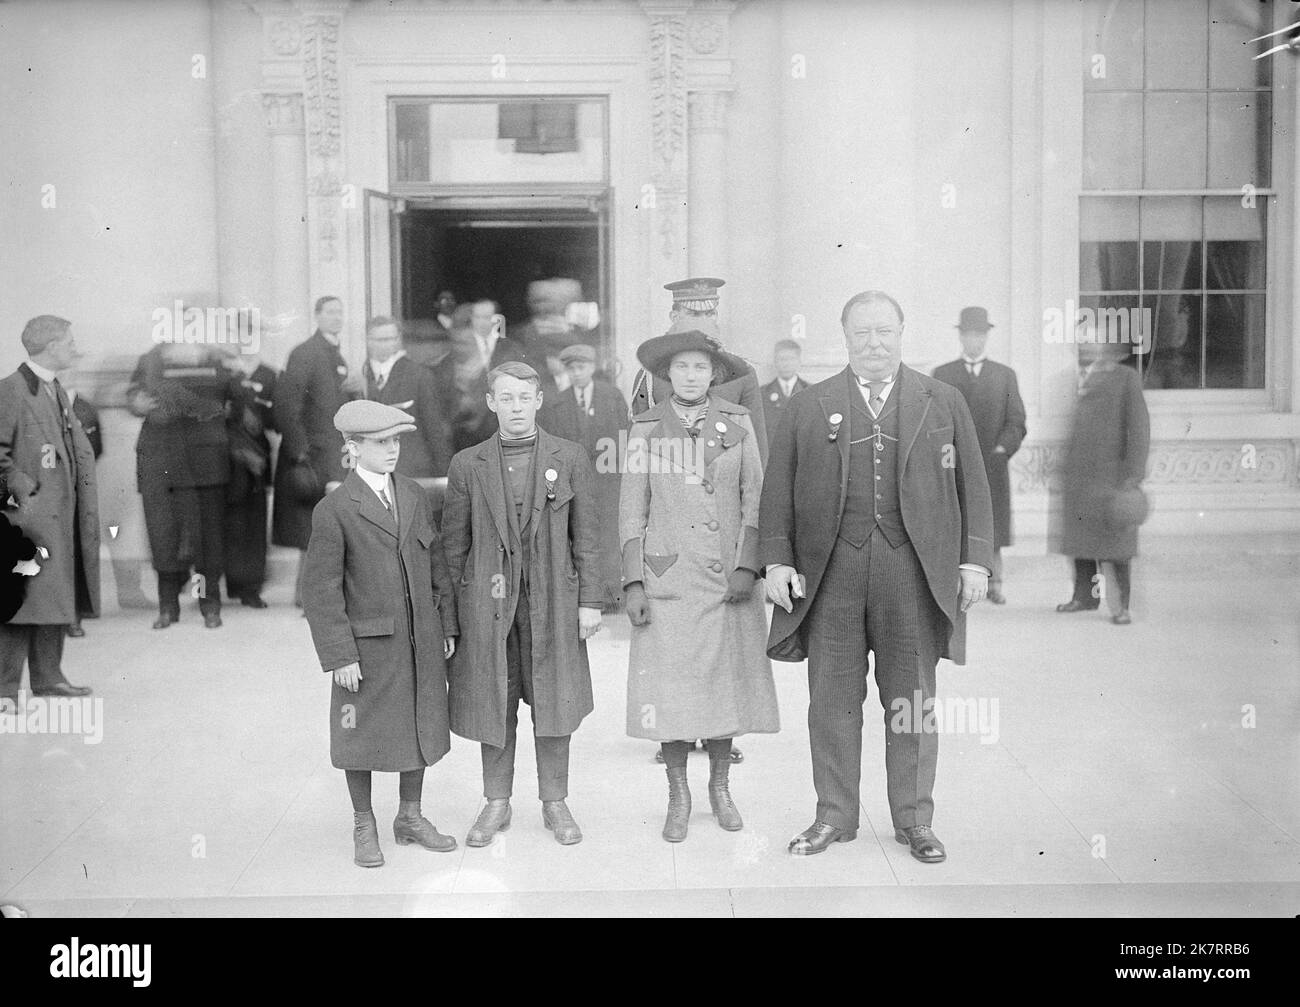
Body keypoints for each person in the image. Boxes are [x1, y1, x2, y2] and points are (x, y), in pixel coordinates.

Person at [760, 290, 994, 863]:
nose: (874, 343)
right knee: (832, 700)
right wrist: (776, 561)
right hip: (831, 570)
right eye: (862, 332)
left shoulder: (942, 401)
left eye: (884, 331)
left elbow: (975, 484)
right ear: (844, 338)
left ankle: (914, 820)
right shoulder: (808, 405)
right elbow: (777, 492)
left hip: (910, 568)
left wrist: (975, 559)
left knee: (910, 699)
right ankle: (833, 817)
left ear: (901, 333)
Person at [620, 318, 779, 843]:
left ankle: (719, 786)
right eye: (682, 367)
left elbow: (757, 498)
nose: (691, 375)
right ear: (667, 374)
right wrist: (633, 583)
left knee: (723, 686)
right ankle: (678, 794)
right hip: (669, 579)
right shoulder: (645, 428)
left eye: (700, 367)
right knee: (671, 691)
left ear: (713, 374)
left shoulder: (738, 421)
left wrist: (746, 565)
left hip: (728, 580)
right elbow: (629, 512)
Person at [440, 360, 603, 848]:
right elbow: (454, 549)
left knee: (554, 700)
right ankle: (496, 802)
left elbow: (588, 537)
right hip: (487, 610)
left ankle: (555, 801)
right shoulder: (468, 465)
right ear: (491, 403)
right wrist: (452, 618)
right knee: (495, 701)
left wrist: (590, 601)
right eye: (505, 398)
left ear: (538, 401)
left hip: (552, 603)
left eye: (523, 397)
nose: (515, 407)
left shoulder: (569, 457)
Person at [302, 400, 460, 868]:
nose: (392, 450)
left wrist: (446, 624)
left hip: (420, 640)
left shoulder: (412, 494)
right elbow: (321, 591)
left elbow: (435, 566)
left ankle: (410, 816)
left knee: (418, 725)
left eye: (396, 441)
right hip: (366, 649)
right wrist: (339, 655)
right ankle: (363, 822)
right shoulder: (334, 510)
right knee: (361, 735)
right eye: (380, 442)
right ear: (352, 448)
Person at [0, 316, 98, 702]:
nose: (75, 348)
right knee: (19, 603)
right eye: (70, 342)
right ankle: (4, 689)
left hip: (61, 514)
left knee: (54, 595)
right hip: (26, 521)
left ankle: (49, 678)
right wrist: (29, 491)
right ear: (51, 346)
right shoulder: (10, 390)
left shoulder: (53, 388)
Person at [127, 331, 236, 629]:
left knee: (207, 541)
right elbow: (134, 395)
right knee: (163, 537)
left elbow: (228, 395)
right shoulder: (151, 358)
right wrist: (136, 402)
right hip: (160, 462)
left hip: (205, 463)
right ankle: (167, 607)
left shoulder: (213, 357)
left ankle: (209, 605)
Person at [1054, 332, 1150, 625]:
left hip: (1112, 479)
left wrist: (1133, 474)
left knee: (1116, 547)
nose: (1086, 349)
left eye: (1092, 344)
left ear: (1106, 348)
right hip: (1079, 479)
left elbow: (1139, 428)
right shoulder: (1071, 379)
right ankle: (1084, 596)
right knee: (1080, 542)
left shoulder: (1125, 377)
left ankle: (1121, 606)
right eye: (1081, 345)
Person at [932, 307, 1026, 604]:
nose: (975, 341)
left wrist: (1001, 449)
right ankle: (951, 583)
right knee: (954, 523)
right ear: (961, 337)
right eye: (970, 334)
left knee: (992, 524)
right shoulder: (943, 374)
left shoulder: (1004, 376)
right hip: (953, 465)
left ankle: (995, 583)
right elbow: (933, 422)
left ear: (987, 337)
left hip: (991, 464)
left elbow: (1017, 421)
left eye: (980, 335)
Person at [272, 296, 361, 606]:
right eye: (330, 312)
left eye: (340, 312)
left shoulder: (333, 354)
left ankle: (317, 595)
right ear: (317, 316)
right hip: (312, 455)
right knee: (311, 526)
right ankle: (308, 596)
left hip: (331, 452)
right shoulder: (306, 353)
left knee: (323, 525)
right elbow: (286, 406)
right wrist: (300, 454)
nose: (336, 318)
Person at [629, 277, 769, 465]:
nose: (704, 321)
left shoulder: (742, 373)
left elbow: (756, 450)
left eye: (710, 313)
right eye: (694, 314)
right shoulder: (650, 375)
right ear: (675, 318)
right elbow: (638, 453)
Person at [538, 343, 629, 610]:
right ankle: (579, 598)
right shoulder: (556, 402)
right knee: (576, 536)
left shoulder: (611, 397)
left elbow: (623, 439)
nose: (577, 373)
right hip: (571, 483)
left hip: (607, 481)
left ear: (592, 367)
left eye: (582, 367)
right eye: (572, 368)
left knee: (608, 536)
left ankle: (611, 595)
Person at [221, 335, 277, 609]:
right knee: (228, 524)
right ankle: (223, 586)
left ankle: (250, 588)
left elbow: (276, 416)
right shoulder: (223, 372)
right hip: (226, 459)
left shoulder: (268, 374)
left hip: (257, 459)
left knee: (254, 525)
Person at [362, 316, 452, 478]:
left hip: (410, 473)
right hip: (369, 471)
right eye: (378, 339)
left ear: (398, 341)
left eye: (390, 339)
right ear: (368, 341)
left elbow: (434, 430)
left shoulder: (419, 375)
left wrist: (444, 475)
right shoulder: (359, 376)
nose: (385, 344)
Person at [432, 300, 526, 455]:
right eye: (477, 317)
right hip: (459, 447)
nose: (459, 346)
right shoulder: (444, 365)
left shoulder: (511, 353)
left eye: (487, 317)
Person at [64, 380, 102, 637]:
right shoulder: (40, 402)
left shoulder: (85, 408)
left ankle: (74, 615)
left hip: (75, 489)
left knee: (76, 551)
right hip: (45, 490)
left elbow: (95, 448)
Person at [760, 338, 808, 441]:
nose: (786, 364)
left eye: (791, 359)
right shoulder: (762, 393)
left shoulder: (811, 391)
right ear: (775, 362)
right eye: (782, 359)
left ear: (799, 361)